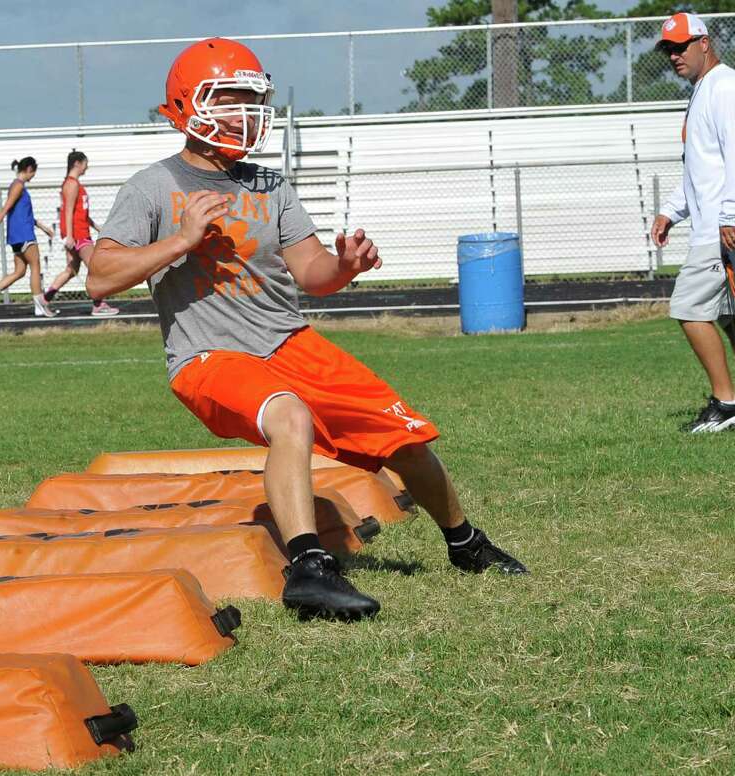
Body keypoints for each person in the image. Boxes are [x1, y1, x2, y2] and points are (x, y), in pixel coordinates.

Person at [88, 38, 527, 621]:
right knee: (289, 415)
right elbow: (99, 277)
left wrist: (345, 266)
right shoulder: (152, 187)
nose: (245, 113)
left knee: (406, 439)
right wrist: (181, 240)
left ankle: (465, 544)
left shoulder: (271, 186)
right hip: (209, 354)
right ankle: (309, 569)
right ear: (186, 105)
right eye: (230, 99)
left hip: (290, 341)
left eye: (251, 99)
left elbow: (311, 272)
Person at [650, 12, 735, 432]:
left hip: (729, 226)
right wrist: (672, 210)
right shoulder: (706, 89)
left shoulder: (726, 87)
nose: (674, 55)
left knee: (689, 308)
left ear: (704, 42)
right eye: (668, 49)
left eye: (681, 46)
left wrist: (728, 216)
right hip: (727, 222)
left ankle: (727, 402)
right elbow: (702, 168)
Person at [43, 150, 120, 317]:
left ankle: (44, 299)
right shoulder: (71, 184)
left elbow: (80, 212)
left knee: (71, 270)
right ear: (77, 163)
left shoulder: (75, 184)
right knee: (96, 267)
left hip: (80, 231)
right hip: (78, 235)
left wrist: (96, 226)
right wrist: (70, 235)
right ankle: (98, 304)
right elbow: (68, 211)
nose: (87, 167)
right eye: (86, 163)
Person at [0, 157, 58, 318]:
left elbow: (25, 214)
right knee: (35, 267)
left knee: (19, 271)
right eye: (34, 172)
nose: (34, 176)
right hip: (23, 234)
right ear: (29, 169)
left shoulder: (19, 186)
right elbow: (6, 208)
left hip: (17, 236)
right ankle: (40, 306)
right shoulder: (18, 186)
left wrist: (43, 227)